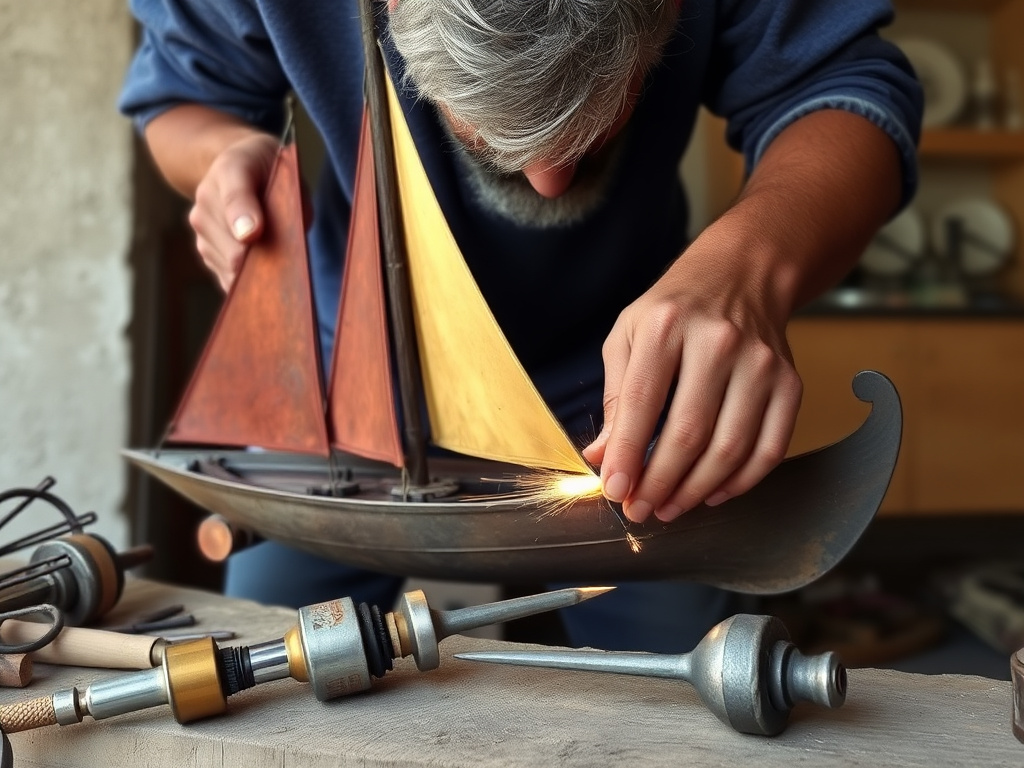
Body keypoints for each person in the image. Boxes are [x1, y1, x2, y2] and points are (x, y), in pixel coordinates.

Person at [119, 0, 922, 652]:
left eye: (596, 119)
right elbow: (182, 100)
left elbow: (841, 84)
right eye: (495, 139)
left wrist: (751, 266)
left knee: (688, 697)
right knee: (263, 680)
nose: (548, 181)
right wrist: (225, 154)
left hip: (632, 413)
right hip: (345, 405)